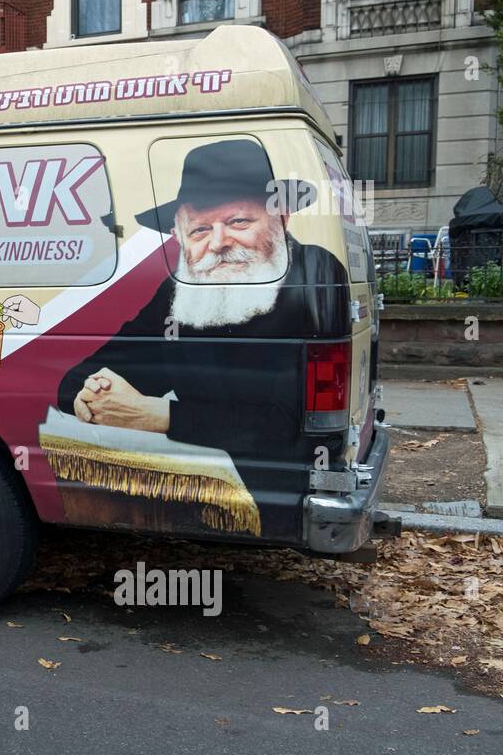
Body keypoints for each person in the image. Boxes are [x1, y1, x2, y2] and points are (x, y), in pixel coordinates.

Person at [55, 139, 350, 504]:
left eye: (238, 221)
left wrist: (159, 416)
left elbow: (295, 432)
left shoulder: (312, 274)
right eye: (199, 230)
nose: (219, 242)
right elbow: (81, 378)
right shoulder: (179, 292)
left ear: (282, 218)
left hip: (281, 493)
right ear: (180, 237)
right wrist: (91, 394)